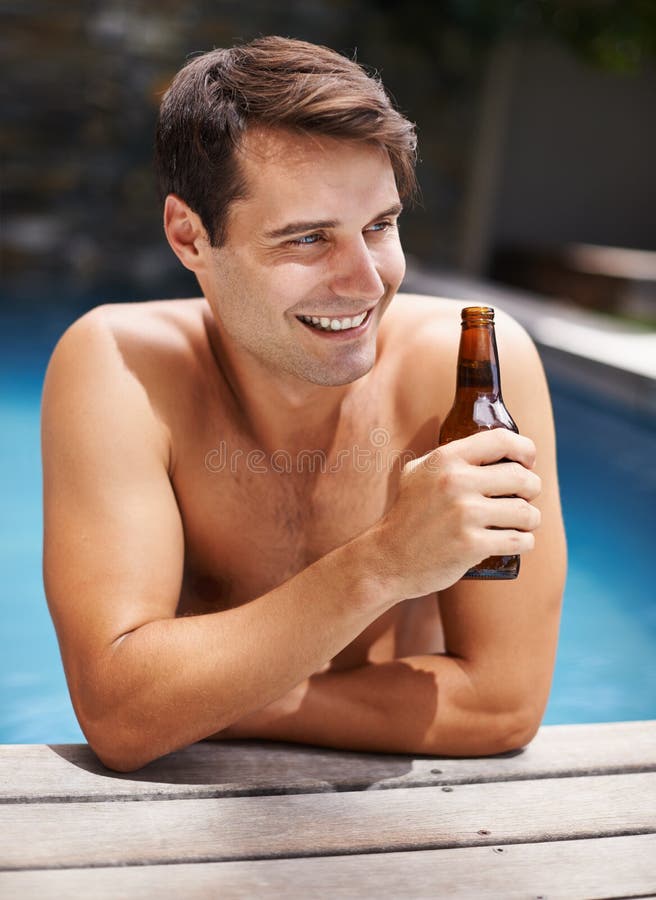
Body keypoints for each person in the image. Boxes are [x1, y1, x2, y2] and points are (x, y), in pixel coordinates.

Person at [41, 36, 566, 773]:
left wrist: (220, 700)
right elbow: (120, 714)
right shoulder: (122, 367)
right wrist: (385, 562)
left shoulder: (469, 366)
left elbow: (503, 704)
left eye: (380, 226)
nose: (365, 280)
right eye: (308, 238)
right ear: (190, 236)